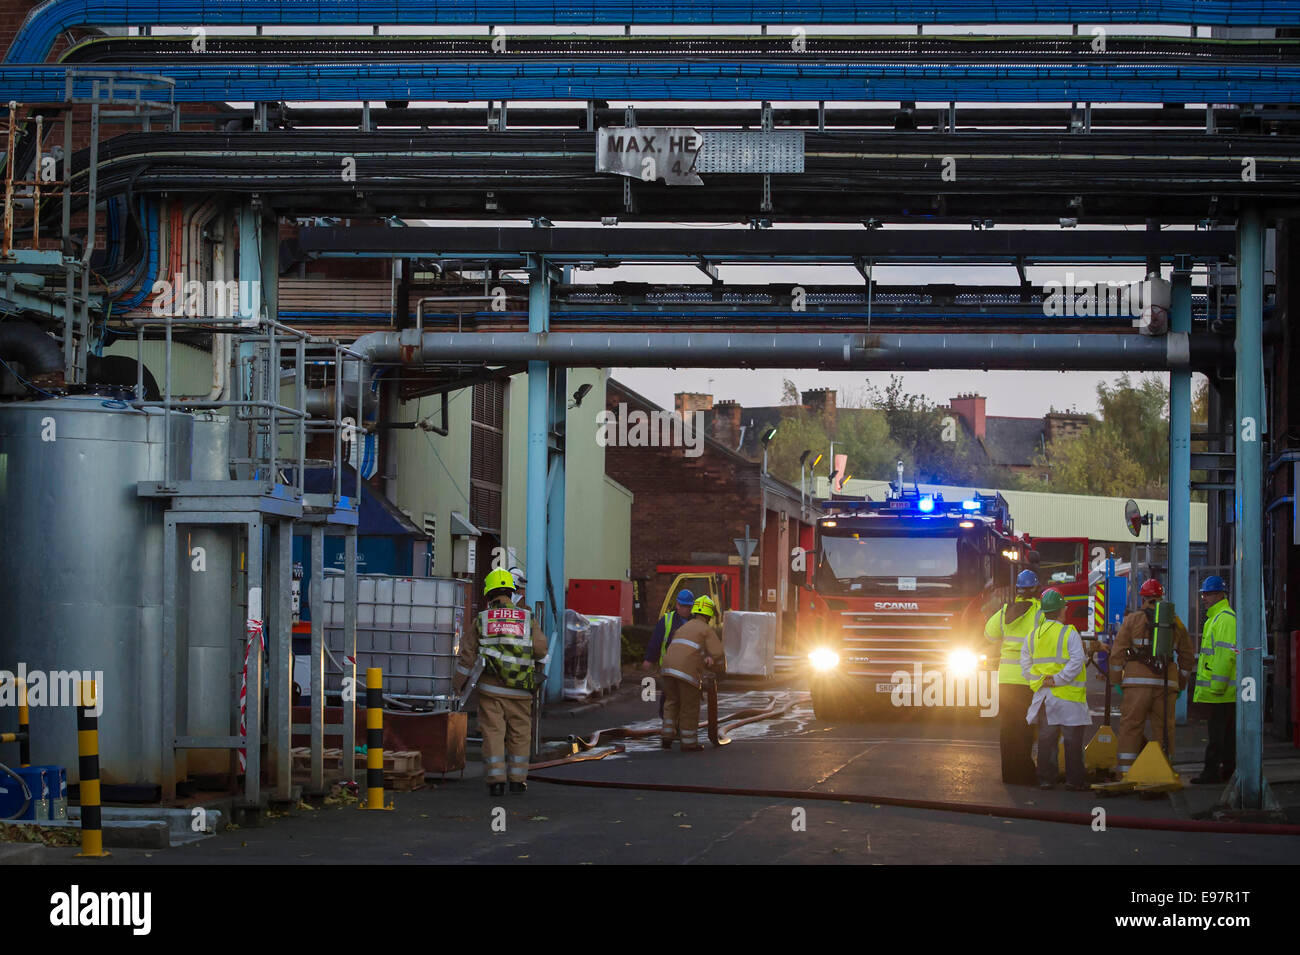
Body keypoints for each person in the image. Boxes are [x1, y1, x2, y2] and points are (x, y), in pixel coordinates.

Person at [452, 568, 548, 797]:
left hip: (490, 690)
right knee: (520, 733)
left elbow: (467, 656)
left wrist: (458, 685)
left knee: (493, 733)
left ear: (489, 594)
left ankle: (496, 782)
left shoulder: (481, 620)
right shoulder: (527, 618)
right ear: (511, 592)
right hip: (521, 690)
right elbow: (540, 649)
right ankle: (518, 781)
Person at [1110, 578, 1196, 774]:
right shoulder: (1175, 621)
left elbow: (1117, 653)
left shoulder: (1132, 620)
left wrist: (1116, 681)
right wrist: (1180, 684)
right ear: (1161, 597)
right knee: (1165, 729)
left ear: (1143, 598)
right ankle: (1163, 772)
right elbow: (1187, 657)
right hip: (1166, 685)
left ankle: (1126, 771)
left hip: (1136, 684)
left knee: (1131, 727)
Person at [1021, 588, 1091, 791]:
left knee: (1046, 739)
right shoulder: (1069, 633)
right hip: (1068, 696)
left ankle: (1045, 778)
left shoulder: (1033, 636)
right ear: (1062, 611)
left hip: (1045, 696)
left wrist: (1042, 680)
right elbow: (1078, 660)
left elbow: (1025, 665)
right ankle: (1074, 781)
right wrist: (1059, 679)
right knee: (1072, 741)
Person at [983, 569, 1041, 785]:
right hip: (1027, 679)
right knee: (1025, 728)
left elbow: (988, 634)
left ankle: (1009, 774)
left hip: (1006, 679)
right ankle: (1025, 773)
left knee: (1008, 728)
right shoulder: (1039, 612)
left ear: (1017, 589)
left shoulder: (1006, 611)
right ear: (1036, 588)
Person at [660, 594, 725, 751]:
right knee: (689, 706)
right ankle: (689, 743)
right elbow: (718, 653)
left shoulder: (684, 627)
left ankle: (666, 737)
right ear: (709, 614)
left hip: (667, 669)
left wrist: (703, 662)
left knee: (672, 702)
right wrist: (720, 670)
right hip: (686, 673)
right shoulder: (705, 629)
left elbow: (689, 651)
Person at [1192, 576, 1237, 784]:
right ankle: (1227, 771)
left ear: (1221, 594)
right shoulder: (1216, 618)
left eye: (1208, 594)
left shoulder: (1224, 619)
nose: (1204, 598)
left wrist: (1217, 687)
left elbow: (1225, 656)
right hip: (1220, 692)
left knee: (1217, 737)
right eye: (1203, 594)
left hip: (1221, 692)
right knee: (1224, 736)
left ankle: (1211, 773)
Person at [643, 589, 695, 673]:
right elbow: (656, 640)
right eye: (682, 606)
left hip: (689, 668)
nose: (685, 610)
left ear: (692, 606)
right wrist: (649, 659)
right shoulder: (667, 619)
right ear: (677, 604)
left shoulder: (695, 621)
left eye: (688, 607)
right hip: (668, 667)